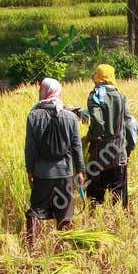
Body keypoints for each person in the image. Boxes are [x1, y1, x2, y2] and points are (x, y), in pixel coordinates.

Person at [25, 78, 86, 245]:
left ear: (43, 92)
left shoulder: (33, 116)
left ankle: (31, 245)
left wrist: (30, 171)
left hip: (41, 173)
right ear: (58, 93)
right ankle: (63, 246)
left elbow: (30, 148)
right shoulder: (70, 117)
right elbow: (76, 146)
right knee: (65, 211)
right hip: (64, 173)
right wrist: (80, 171)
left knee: (37, 209)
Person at [83, 64, 131, 207]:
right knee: (119, 199)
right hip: (118, 154)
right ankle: (119, 222)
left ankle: (94, 223)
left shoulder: (95, 96)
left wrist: (91, 137)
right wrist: (128, 149)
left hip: (99, 155)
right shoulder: (121, 97)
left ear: (97, 77)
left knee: (95, 197)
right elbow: (130, 125)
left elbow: (97, 123)